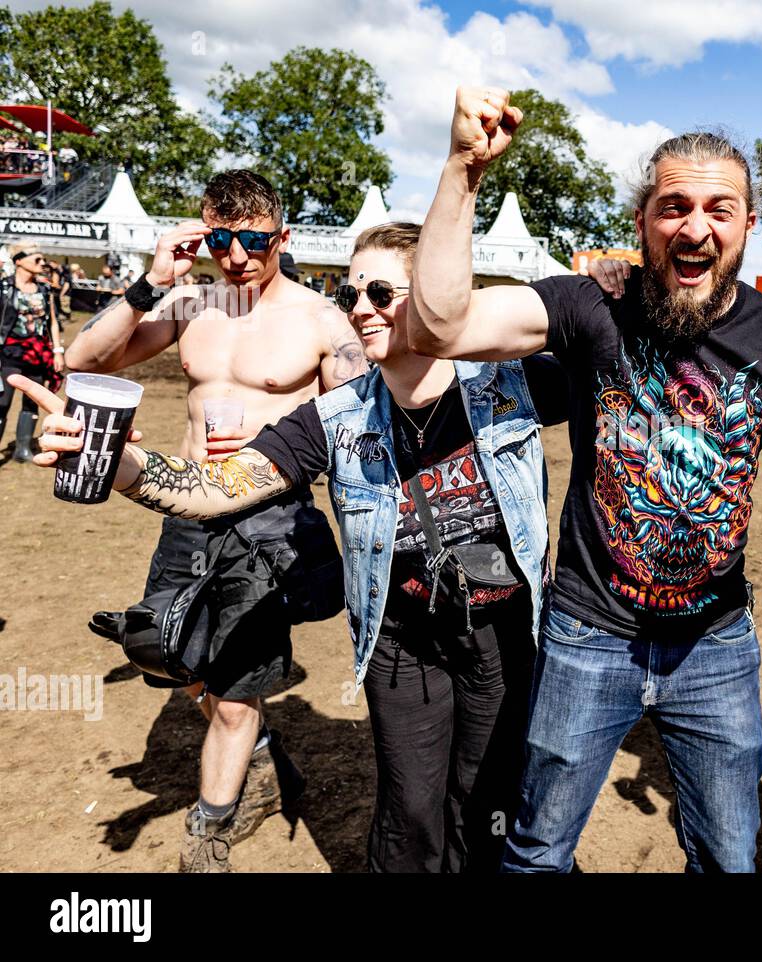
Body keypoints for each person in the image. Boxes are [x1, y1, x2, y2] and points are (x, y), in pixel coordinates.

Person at [12, 221, 567, 873]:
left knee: (490, 805)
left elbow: (630, 390)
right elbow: (216, 486)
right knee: (409, 817)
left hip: (503, 640)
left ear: (439, 298)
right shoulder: (336, 415)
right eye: (353, 292)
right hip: (402, 644)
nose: (359, 307)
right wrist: (117, 462)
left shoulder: (516, 382)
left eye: (381, 292)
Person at [406, 86, 762, 872]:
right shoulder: (592, 308)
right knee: (537, 851)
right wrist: (462, 171)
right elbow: (441, 324)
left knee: (728, 858)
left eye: (720, 210)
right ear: (643, 223)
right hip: (589, 636)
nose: (696, 227)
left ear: (748, 228)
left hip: (716, 642)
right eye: (673, 206)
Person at [63, 169, 369, 872]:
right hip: (186, 508)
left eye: (254, 241)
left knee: (233, 695)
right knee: (173, 658)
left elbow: (359, 434)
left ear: (282, 237)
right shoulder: (192, 301)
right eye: (221, 239)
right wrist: (150, 282)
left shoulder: (321, 320)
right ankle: (259, 753)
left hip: (266, 520)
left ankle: (210, 828)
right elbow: (81, 358)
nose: (236, 257)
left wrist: (283, 451)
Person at [0, 246, 62, 463]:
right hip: (8, 353)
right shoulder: (4, 287)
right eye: (36, 258)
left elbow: (53, 322)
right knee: (2, 402)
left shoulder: (44, 290)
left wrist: (57, 351)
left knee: (31, 401)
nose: (41, 261)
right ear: (18, 260)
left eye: (43, 258)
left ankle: (23, 449)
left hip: (37, 355)